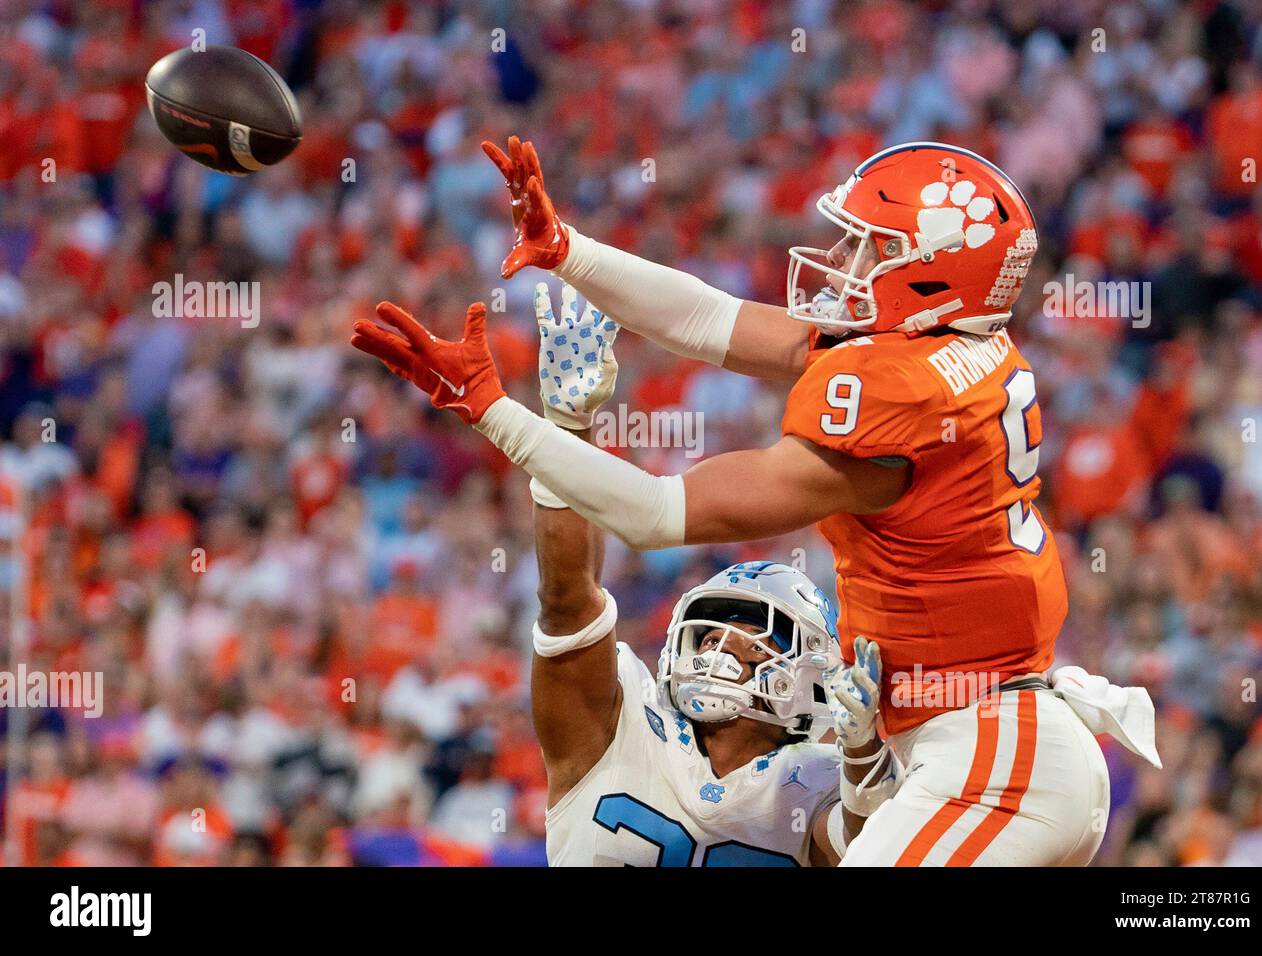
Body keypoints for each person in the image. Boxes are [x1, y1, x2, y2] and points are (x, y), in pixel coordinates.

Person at [350, 140, 1160, 865]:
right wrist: (569, 252)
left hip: (994, 753)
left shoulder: (904, 394)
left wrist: (493, 410)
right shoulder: (938, 345)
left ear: (934, 269)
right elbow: (713, 319)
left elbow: (652, 513)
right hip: (972, 745)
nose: (842, 257)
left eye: (870, 245)